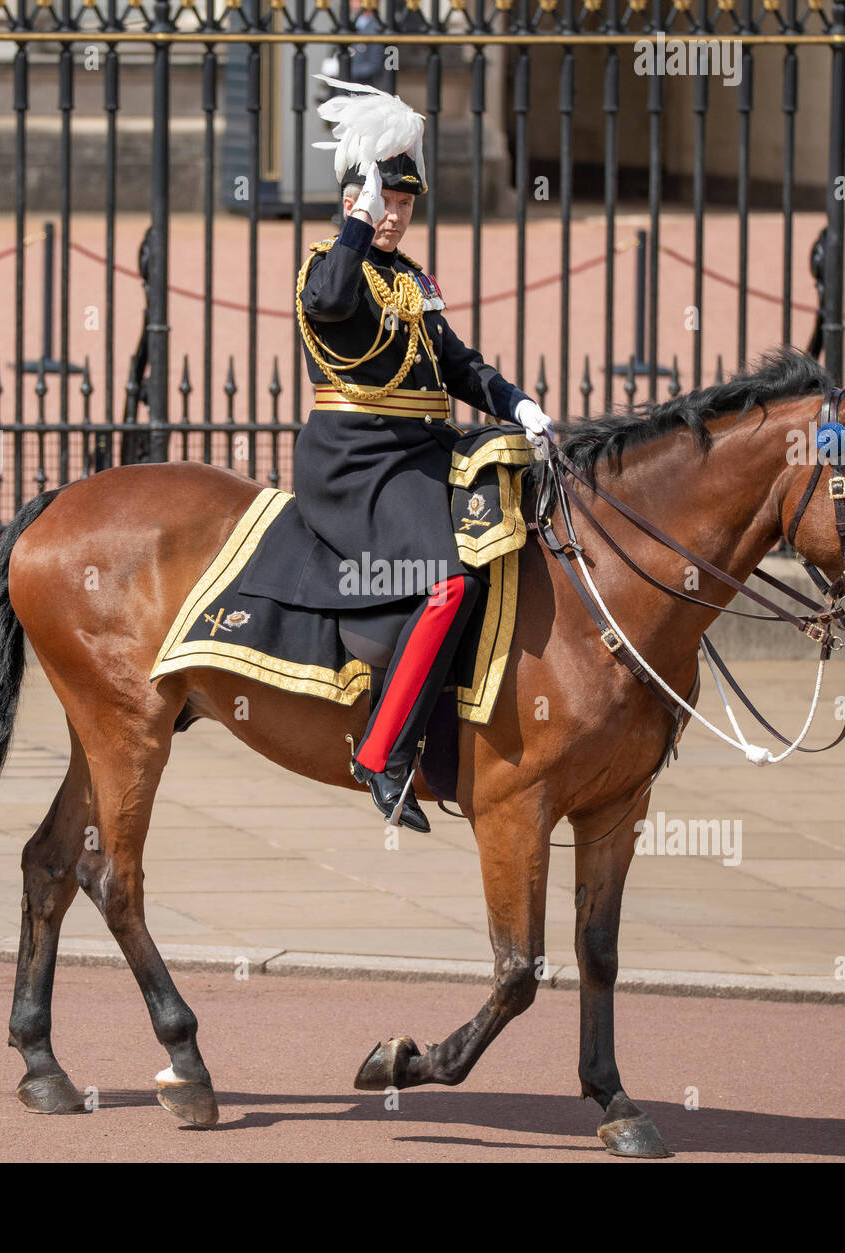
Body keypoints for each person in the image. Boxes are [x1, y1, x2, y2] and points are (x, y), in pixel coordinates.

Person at [290, 81, 557, 831]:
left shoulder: (411, 280)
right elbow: (332, 304)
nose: (397, 214)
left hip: (418, 451)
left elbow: (458, 363)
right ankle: (381, 750)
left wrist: (516, 403)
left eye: (406, 202)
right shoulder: (327, 264)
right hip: (355, 465)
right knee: (444, 582)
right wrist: (355, 225)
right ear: (357, 198)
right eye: (385, 198)